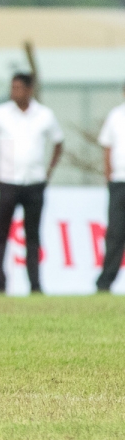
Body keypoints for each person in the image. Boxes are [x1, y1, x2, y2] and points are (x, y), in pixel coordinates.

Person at [0, 73, 64, 294]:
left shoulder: (44, 115)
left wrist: (48, 171)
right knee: (1, 234)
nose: (14, 92)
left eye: (19, 88)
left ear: (29, 90)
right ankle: (0, 282)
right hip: (8, 181)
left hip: (35, 182)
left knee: (33, 236)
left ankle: (35, 285)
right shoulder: (0, 114)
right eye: (13, 87)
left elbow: (58, 141)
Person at [95, 83, 125, 292]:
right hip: (119, 181)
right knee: (115, 233)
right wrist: (108, 176)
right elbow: (107, 147)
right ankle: (105, 281)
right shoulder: (115, 116)